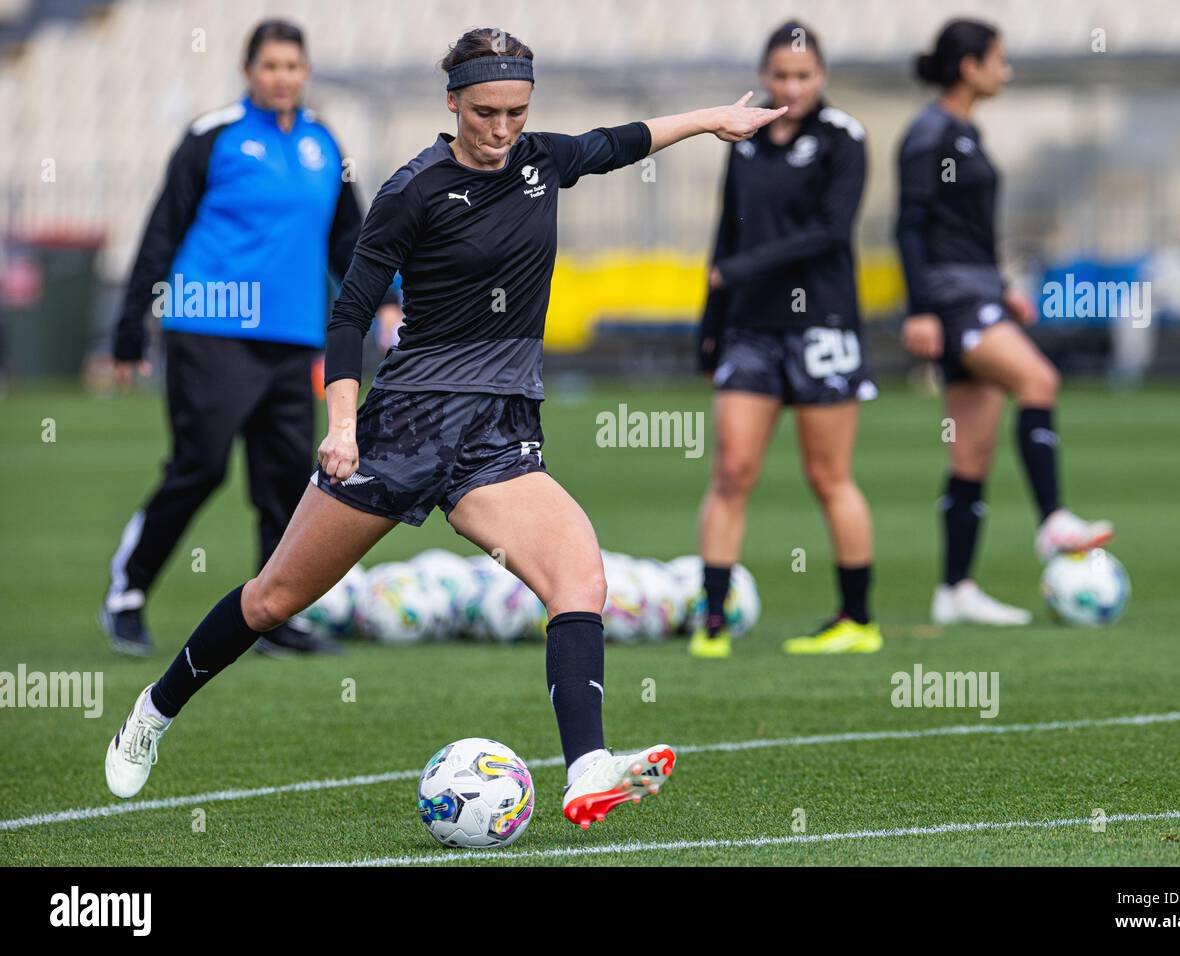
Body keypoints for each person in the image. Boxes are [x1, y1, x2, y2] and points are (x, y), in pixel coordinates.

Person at [104, 27, 786, 831]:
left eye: (517, 113)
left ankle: (587, 767)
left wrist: (713, 118)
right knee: (273, 599)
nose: (502, 130)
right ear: (453, 102)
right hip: (404, 427)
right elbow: (352, 311)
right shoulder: (412, 190)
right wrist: (343, 423)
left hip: (498, 434)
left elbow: (623, 141)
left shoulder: (542, 160)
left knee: (580, 578)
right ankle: (153, 711)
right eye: (487, 112)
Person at [103, 19, 361, 656]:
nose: (282, 77)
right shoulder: (211, 136)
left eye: (292, 66)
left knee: (285, 480)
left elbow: (350, 239)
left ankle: (272, 615)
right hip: (209, 324)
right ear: (249, 72)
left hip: (294, 333)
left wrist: (385, 300)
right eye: (270, 66)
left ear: (305, 72)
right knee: (201, 465)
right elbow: (162, 229)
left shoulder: (324, 142)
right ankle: (128, 593)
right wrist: (129, 328)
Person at [896, 18, 1113, 626]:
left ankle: (955, 590)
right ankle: (1053, 522)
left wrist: (1004, 288)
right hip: (952, 301)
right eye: (999, 59)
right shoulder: (930, 134)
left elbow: (965, 230)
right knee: (1039, 380)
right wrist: (919, 309)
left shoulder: (964, 132)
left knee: (971, 454)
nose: (1006, 70)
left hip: (977, 294)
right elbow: (910, 226)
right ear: (969, 66)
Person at [692, 21, 877, 659]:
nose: (791, 86)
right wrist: (710, 322)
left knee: (828, 475)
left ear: (820, 76)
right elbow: (727, 233)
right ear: (763, 76)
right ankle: (712, 620)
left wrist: (740, 270)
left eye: (802, 76)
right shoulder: (743, 142)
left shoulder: (843, 139)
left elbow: (831, 232)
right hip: (750, 327)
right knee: (732, 470)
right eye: (780, 75)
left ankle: (857, 619)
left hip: (822, 322)